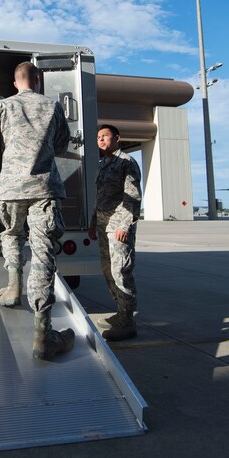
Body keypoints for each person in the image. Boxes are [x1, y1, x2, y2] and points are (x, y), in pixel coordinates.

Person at [0, 61, 74, 361]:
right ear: (38, 80)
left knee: (11, 234)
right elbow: (61, 146)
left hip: (11, 188)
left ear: (15, 83)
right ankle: (43, 336)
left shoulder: (2, 106)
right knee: (43, 252)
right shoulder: (53, 106)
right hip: (44, 189)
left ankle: (13, 289)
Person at [87, 124, 142, 341]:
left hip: (119, 225)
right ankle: (120, 312)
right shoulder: (102, 164)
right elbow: (100, 197)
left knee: (121, 271)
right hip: (103, 224)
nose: (101, 139)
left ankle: (127, 321)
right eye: (98, 137)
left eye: (105, 136)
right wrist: (93, 222)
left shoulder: (126, 163)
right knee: (108, 270)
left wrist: (125, 225)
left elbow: (133, 197)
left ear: (117, 138)